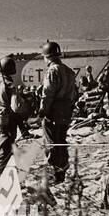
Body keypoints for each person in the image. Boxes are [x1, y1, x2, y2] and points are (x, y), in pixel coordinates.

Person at [38, 41, 77, 182]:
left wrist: (42, 111)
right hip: (65, 111)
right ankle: (62, 173)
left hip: (53, 111)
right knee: (61, 141)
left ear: (46, 56)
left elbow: (48, 94)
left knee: (51, 143)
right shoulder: (69, 71)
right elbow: (73, 93)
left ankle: (53, 175)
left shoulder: (52, 70)